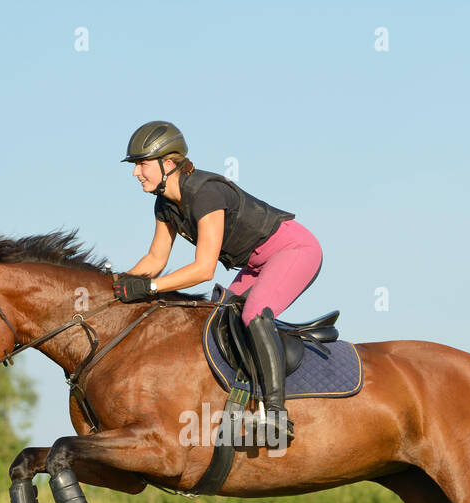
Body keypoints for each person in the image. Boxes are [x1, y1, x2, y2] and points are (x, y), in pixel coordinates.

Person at [114, 121, 322, 444]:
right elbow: (155, 259)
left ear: (168, 163)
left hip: (294, 249)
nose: (135, 172)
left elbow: (204, 269)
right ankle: (237, 406)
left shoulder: (205, 193)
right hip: (256, 263)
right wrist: (120, 285)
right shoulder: (165, 205)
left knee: (253, 313)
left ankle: (276, 415)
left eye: (141, 164)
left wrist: (151, 288)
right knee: (217, 317)